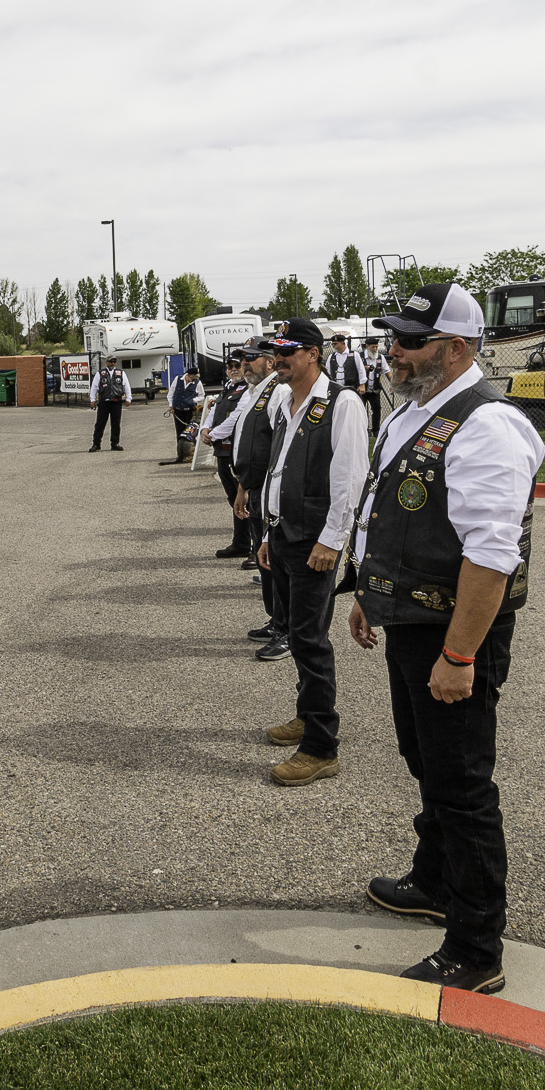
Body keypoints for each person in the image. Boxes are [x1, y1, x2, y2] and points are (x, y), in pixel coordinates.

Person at [347, 280, 544, 994]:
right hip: (412, 623)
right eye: (393, 338)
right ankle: (434, 881)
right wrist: (371, 596)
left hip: (454, 635)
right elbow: (396, 517)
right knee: (423, 759)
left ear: (455, 347)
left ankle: (476, 945)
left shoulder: (487, 425)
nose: (392, 351)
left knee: (461, 784)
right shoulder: (417, 412)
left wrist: (459, 656)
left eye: (408, 340)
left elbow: (492, 554)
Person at [255, 320, 368, 785]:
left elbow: (350, 476)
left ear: (314, 354)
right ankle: (307, 713)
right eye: (275, 352)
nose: (278, 359)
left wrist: (332, 539)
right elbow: (277, 470)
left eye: (288, 351)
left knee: (309, 639)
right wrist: (266, 532)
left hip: (313, 540)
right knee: (300, 633)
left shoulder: (342, 403)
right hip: (283, 534)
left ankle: (321, 746)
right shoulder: (285, 400)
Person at [229, 347, 289, 655]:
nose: (244, 365)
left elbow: (276, 446)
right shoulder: (255, 392)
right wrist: (243, 486)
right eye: (243, 360)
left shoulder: (278, 392)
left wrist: (256, 486)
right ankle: (275, 618)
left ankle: (286, 628)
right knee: (264, 558)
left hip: (268, 490)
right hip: (254, 488)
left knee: (275, 560)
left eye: (251, 359)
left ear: (269, 361)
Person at [201, 354, 248, 554]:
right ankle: (241, 543)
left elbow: (237, 418)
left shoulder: (248, 390)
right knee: (232, 498)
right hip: (221, 450)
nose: (233, 369)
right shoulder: (228, 387)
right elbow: (214, 412)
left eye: (237, 366)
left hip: (235, 450)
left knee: (244, 500)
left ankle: (249, 545)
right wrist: (205, 428)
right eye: (230, 366)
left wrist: (213, 434)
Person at [162, 366, 203, 464]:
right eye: (193, 378)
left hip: (189, 410)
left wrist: (194, 400)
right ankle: (180, 455)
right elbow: (170, 394)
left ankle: (191, 454)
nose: (194, 380)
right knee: (180, 433)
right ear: (188, 376)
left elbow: (202, 396)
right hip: (178, 410)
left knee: (191, 433)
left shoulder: (198, 383)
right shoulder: (177, 379)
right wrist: (171, 406)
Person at [88, 358, 131, 450]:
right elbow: (94, 387)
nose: (112, 363)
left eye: (114, 362)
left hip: (116, 402)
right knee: (100, 424)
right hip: (104, 402)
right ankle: (96, 444)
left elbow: (126, 386)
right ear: (106, 362)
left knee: (115, 424)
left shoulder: (121, 373)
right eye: (111, 362)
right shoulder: (100, 373)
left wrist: (128, 398)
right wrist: (92, 399)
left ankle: (115, 444)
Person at [361, 336, 389, 435]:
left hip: (375, 389)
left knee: (377, 410)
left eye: (376, 347)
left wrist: (393, 384)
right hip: (362, 390)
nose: (375, 349)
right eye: (373, 347)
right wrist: (364, 368)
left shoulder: (380, 358)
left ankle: (376, 430)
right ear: (367, 346)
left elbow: (387, 372)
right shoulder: (359, 357)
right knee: (361, 411)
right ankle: (363, 430)